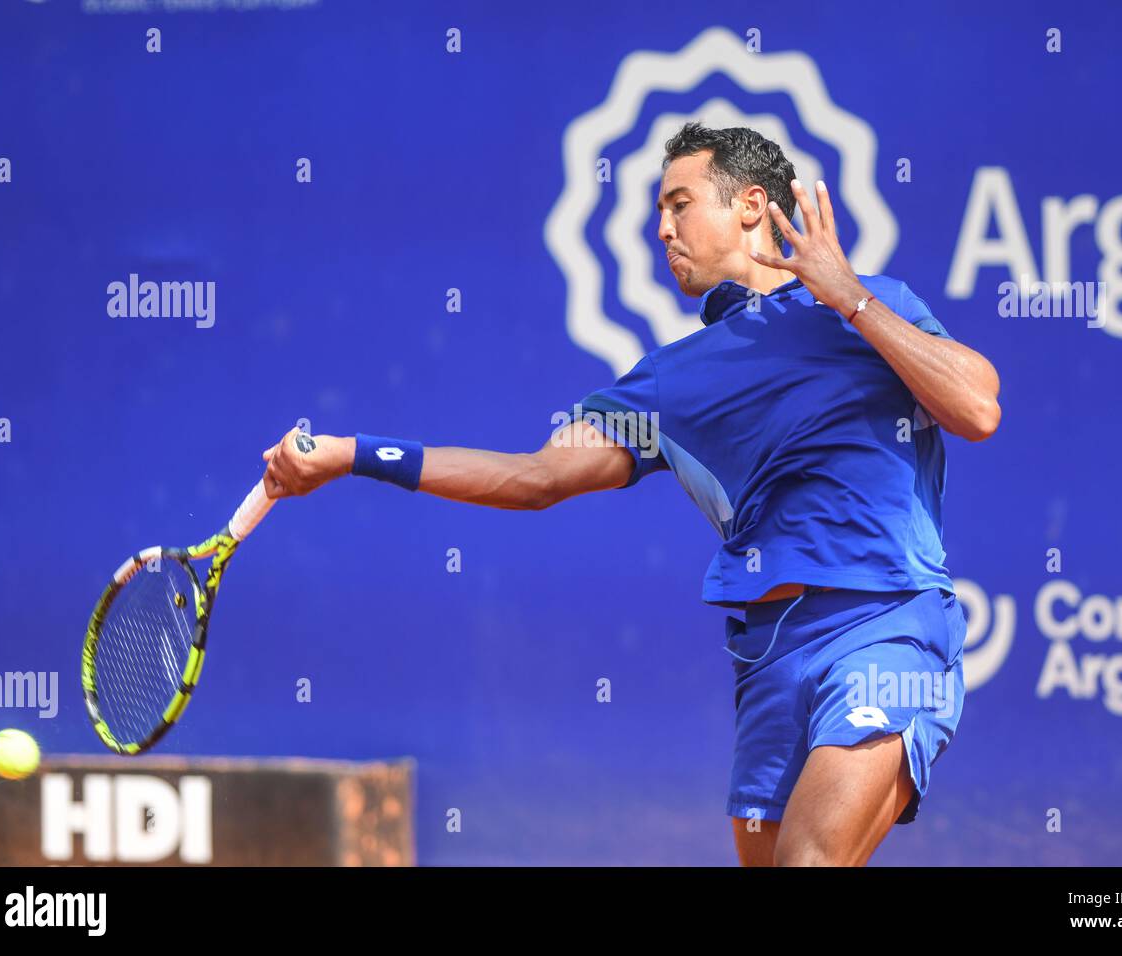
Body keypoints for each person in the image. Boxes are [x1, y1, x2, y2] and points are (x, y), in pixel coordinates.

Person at [261, 123, 1001, 866]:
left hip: (888, 626)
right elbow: (534, 478)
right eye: (657, 212)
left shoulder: (877, 304)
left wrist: (849, 299)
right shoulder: (669, 380)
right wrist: (354, 454)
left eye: (678, 204)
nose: (661, 229)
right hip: (770, 655)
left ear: (750, 206)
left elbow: (977, 409)